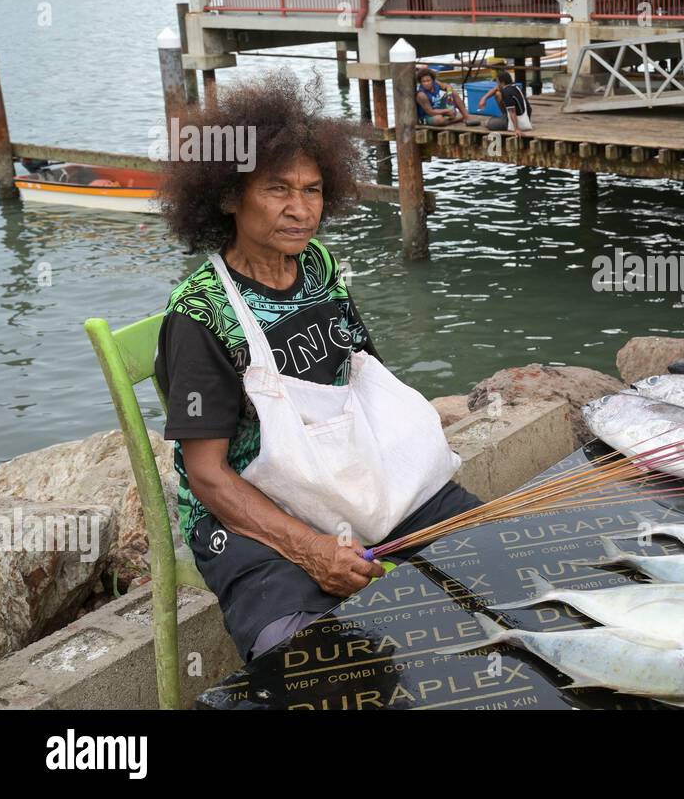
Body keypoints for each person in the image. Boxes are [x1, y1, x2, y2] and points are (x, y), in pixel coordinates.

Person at [154, 71, 480, 662]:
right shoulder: (199, 315)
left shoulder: (320, 265)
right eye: (278, 189)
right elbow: (206, 476)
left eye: (312, 189)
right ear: (228, 195)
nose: (300, 210)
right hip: (250, 515)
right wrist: (310, 549)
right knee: (308, 659)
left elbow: (364, 375)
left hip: (341, 480)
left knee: (497, 554)